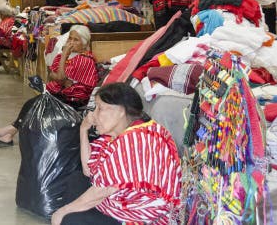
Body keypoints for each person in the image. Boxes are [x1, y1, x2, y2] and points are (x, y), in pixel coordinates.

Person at [50, 83, 182, 225]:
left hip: (141, 218)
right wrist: (83, 130)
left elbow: (102, 190)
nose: (93, 115)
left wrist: (62, 211)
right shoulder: (124, 132)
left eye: (100, 108)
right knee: (76, 180)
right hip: (123, 202)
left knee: (70, 219)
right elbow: (88, 171)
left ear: (120, 111)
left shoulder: (137, 140)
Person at [0, 25, 97, 146]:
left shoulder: (84, 59)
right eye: (70, 38)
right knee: (33, 103)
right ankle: (8, 133)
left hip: (72, 101)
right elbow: (52, 74)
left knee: (35, 104)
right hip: (61, 94)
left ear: (85, 44)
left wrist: (63, 58)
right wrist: (62, 78)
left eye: (76, 40)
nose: (71, 42)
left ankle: (8, 132)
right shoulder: (70, 55)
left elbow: (59, 77)